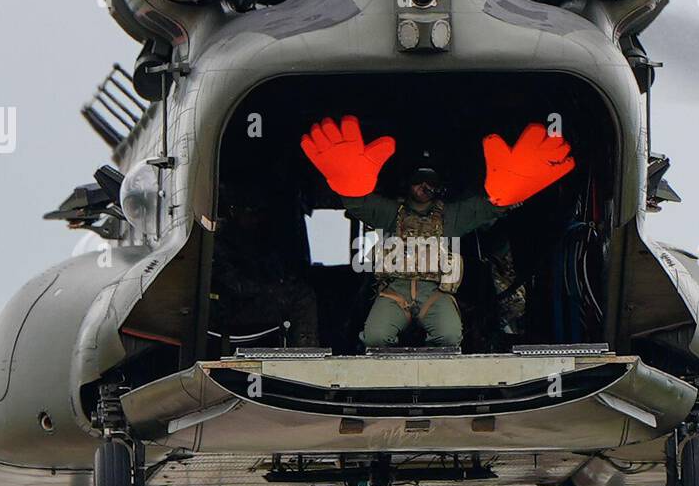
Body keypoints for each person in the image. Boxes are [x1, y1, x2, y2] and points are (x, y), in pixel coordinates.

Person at [300, 115, 573, 349]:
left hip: (436, 292)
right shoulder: (389, 212)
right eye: (418, 180)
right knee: (375, 336)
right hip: (395, 290)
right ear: (408, 183)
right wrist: (350, 178)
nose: (424, 187)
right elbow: (356, 201)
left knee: (450, 335)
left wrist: (511, 188)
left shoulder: (451, 215)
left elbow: (490, 208)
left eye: (429, 181)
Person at [211, 188, 320, 347]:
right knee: (302, 297)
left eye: (259, 213)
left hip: (242, 303)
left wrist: (282, 281)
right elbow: (237, 285)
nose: (256, 219)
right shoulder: (221, 242)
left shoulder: (249, 240)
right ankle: (307, 355)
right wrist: (272, 288)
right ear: (235, 212)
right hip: (229, 309)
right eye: (251, 213)